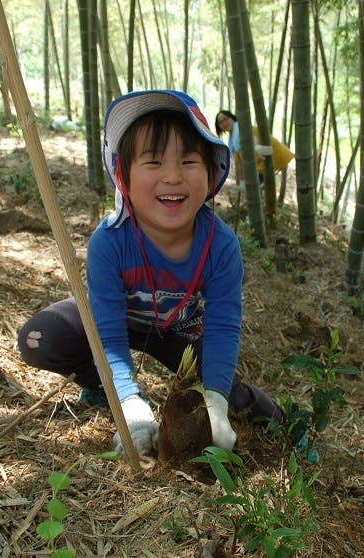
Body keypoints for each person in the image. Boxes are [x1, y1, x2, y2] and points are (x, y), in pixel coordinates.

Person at [17, 90, 283, 457]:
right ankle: (101, 386)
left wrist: (216, 402)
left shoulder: (220, 245)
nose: (173, 176)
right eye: (154, 162)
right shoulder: (110, 241)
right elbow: (107, 330)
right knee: (39, 339)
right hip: (117, 321)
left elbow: (223, 327)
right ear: (123, 176)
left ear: (211, 172)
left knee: (235, 396)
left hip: (178, 327)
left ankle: (283, 422)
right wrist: (129, 403)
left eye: (189, 160)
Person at [214, 110, 294, 184]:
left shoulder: (243, 127)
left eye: (226, 119)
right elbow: (240, 163)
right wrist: (242, 181)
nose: (224, 123)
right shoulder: (232, 141)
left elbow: (253, 139)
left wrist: (256, 147)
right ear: (219, 127)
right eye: (221, 122)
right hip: (259, 166)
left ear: (232, 118)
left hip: (275, 156)